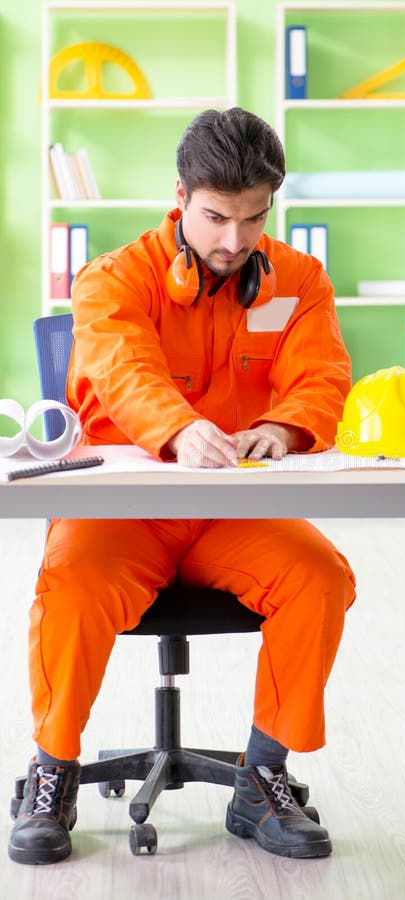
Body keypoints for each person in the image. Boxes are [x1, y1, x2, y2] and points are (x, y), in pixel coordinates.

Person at [9, 107, 356, 866]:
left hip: (232, 511)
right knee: (70, 588)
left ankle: (262, 778)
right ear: (179, 196)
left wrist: (291, 427)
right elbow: (122, 371)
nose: (235, 241)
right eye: (215, 218)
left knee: (319, 577)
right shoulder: (112, 280)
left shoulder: (299, 280)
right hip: (123, 512)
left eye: (253, 218)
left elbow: (323, 376)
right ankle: (53, 769)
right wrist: (176, 427)